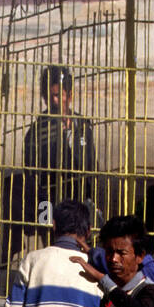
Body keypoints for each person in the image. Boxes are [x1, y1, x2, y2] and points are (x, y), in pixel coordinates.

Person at [23, 65, 96, 217]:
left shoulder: (82, 125)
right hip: (50, 201)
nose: (54, 102)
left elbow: (91, 165)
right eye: (49, 97)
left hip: (78, 199)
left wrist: (90, 200)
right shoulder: (38, 130)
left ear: (69, 95)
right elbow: (31, 173)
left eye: (58, 95)